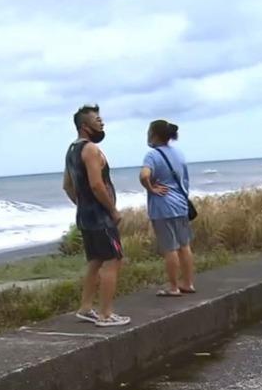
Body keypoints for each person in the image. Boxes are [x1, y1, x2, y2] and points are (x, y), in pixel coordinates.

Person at [62, 104, 130, 327]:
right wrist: (111, 210)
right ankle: (106, 314)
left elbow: (67, 185)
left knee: (95, 261)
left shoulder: (72, 149)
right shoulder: (90, 149)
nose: (101, 123)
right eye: (96, 120)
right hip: (101, 218)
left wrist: (83, 205)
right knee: (113, 260)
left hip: (85, 216)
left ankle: (85, 308)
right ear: (84, 126)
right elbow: (97, 185)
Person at [139, 119, 196, 297]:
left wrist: (151, 188)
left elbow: (144, 175)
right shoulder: (178, 153)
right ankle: (188, 283)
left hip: (163, 207)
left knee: (170, 248)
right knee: (184, 246)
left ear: (155, 135)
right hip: (181, 205)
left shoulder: (152, 155)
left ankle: (173, 287)